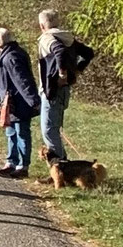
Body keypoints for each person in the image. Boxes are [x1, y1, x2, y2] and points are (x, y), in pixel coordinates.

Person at [35, 9, 95, 159]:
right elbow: (88, 53)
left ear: (42, 25)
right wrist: (77, 70)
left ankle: (60, 166)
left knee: (49, 130)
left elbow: (59, 51)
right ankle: (63, 165)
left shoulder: (47, 38)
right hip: (64, 89)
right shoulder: (68, 38)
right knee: (55, 128)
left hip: (52, 89)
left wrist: (63, 74)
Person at [0, 27, 40, 176]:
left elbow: (22, 80)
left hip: (18, 101)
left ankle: (22, 166)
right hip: (10, 102)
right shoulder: (14, 53)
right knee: (11, 131)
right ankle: (11, 162)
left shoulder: (10, 57)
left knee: (21, 132)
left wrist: (33, 100)